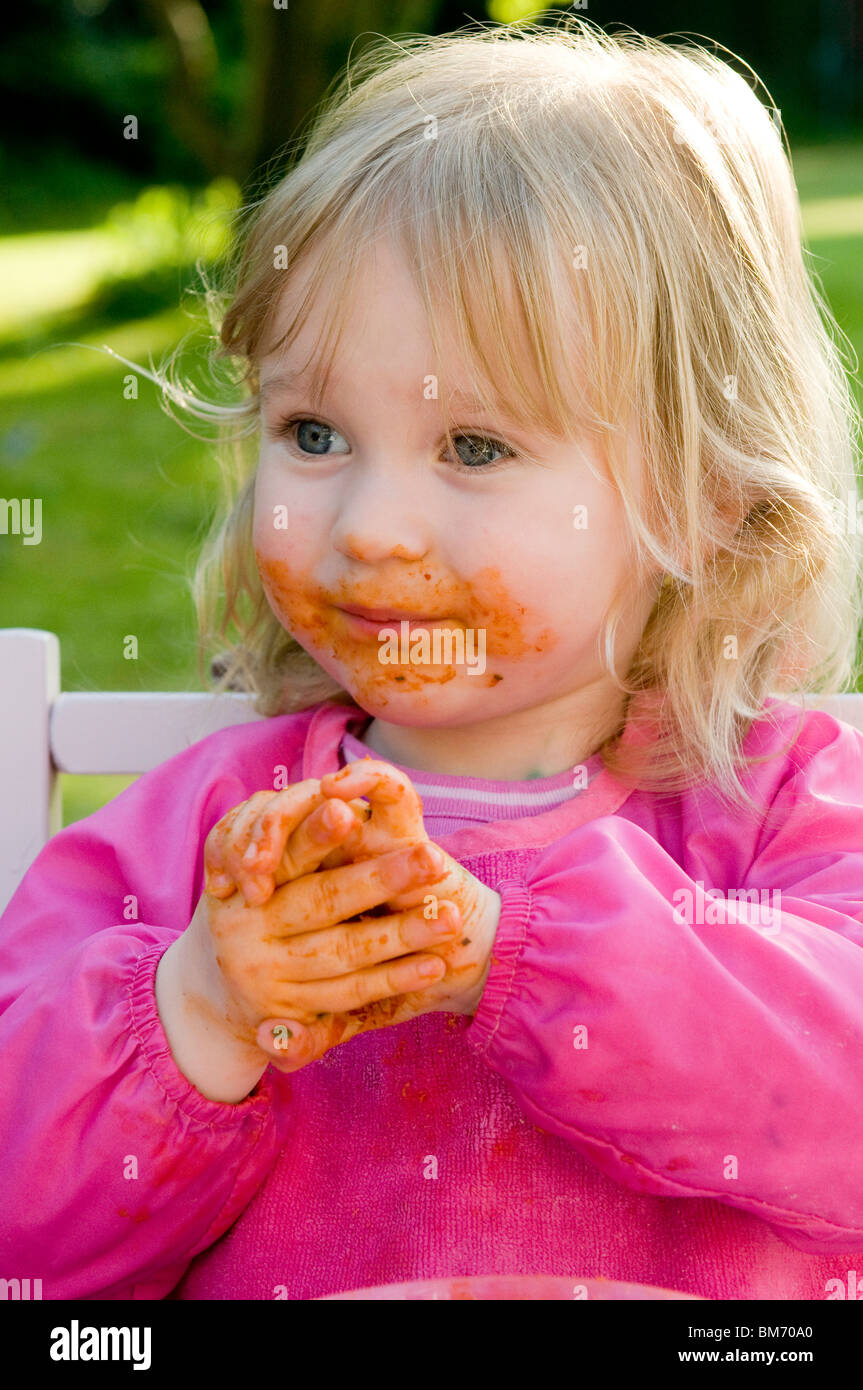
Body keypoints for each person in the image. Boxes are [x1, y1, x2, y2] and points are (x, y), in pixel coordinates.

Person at [3, 17, 863, 1302]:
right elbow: (27, 1232)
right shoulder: (194, 839)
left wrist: (506, 951)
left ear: (702, 497)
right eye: (311, 430)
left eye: (472, 446)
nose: (369, 529)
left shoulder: (782, 809)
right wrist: (201, 1009)